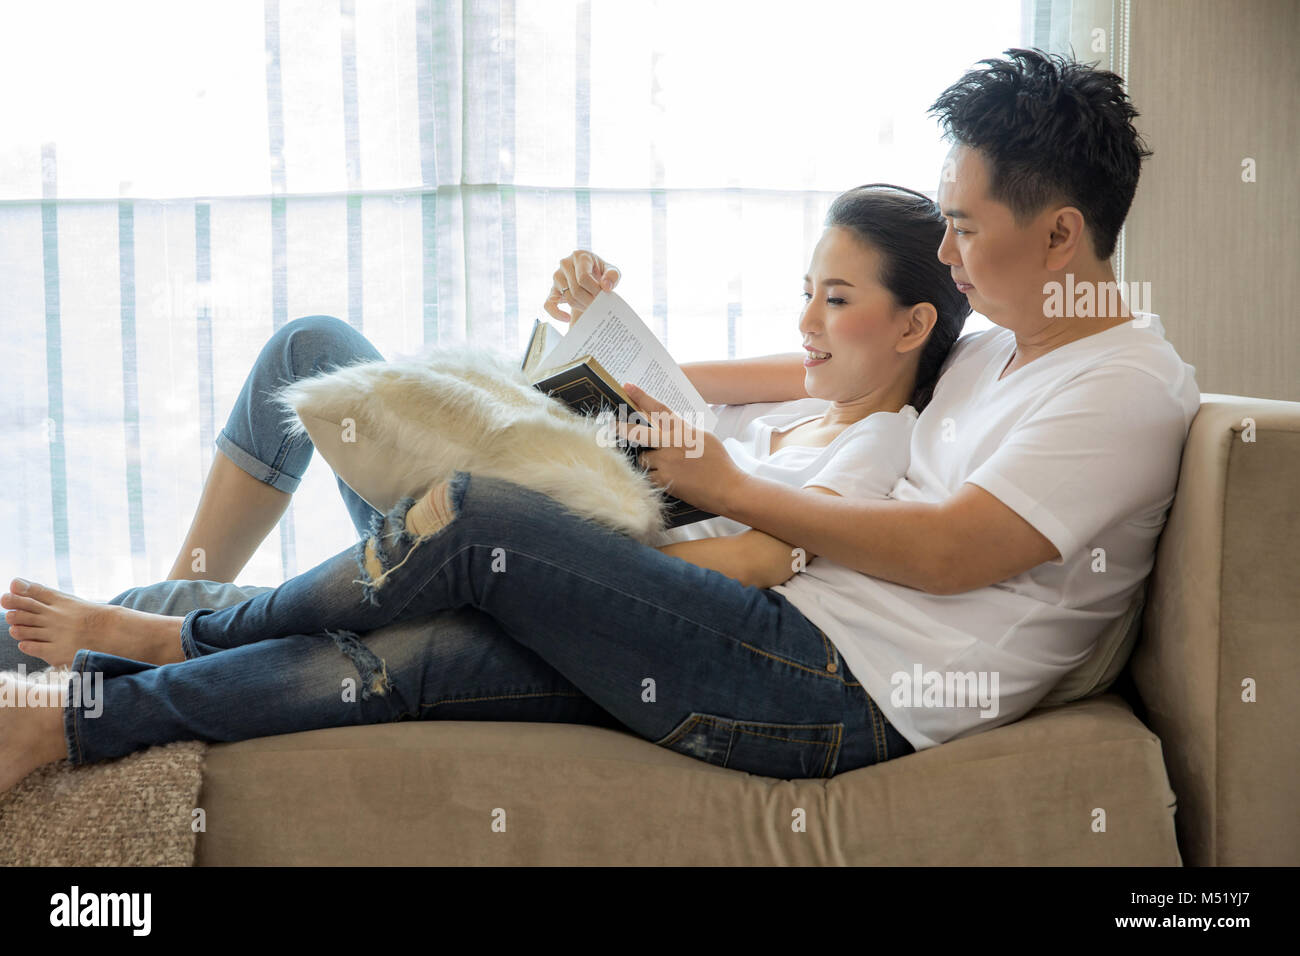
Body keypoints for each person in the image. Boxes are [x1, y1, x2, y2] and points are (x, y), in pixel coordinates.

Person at [0, 182, 966, 791]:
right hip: (510, 526)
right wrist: (588, 314)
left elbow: (756, 559)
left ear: (913, 325)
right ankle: (185, 593)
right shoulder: (799, 397)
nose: (806, 319)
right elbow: (639, 392)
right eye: (805, 288)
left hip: (560, 575)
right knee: (312, 352)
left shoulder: (880, 447)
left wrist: (577, 552)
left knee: (434, 578)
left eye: (835, 301)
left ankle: (173, 634)